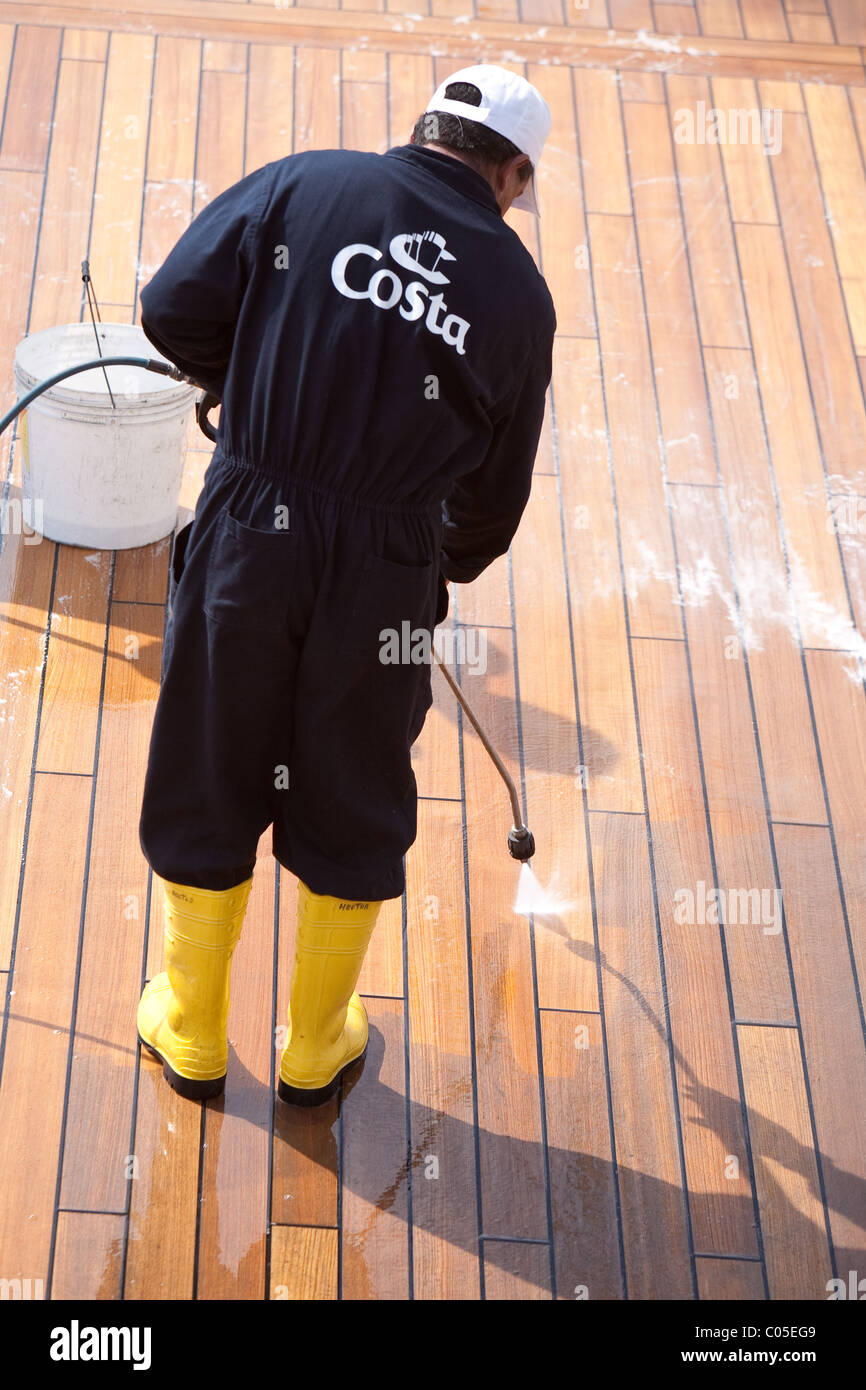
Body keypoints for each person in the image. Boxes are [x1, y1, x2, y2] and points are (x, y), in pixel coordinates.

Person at [135, 63, 557, 1106]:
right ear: (507, 174)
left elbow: (168, 308)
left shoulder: (303, 185)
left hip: (248, 531)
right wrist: (418, 560)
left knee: (209, 763)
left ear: (422, 132)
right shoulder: (517, 296)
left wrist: (247, 398)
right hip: (384, 572)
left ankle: (190, 1028)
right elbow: (490, 510)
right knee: (355, 788)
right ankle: (314, 1046)